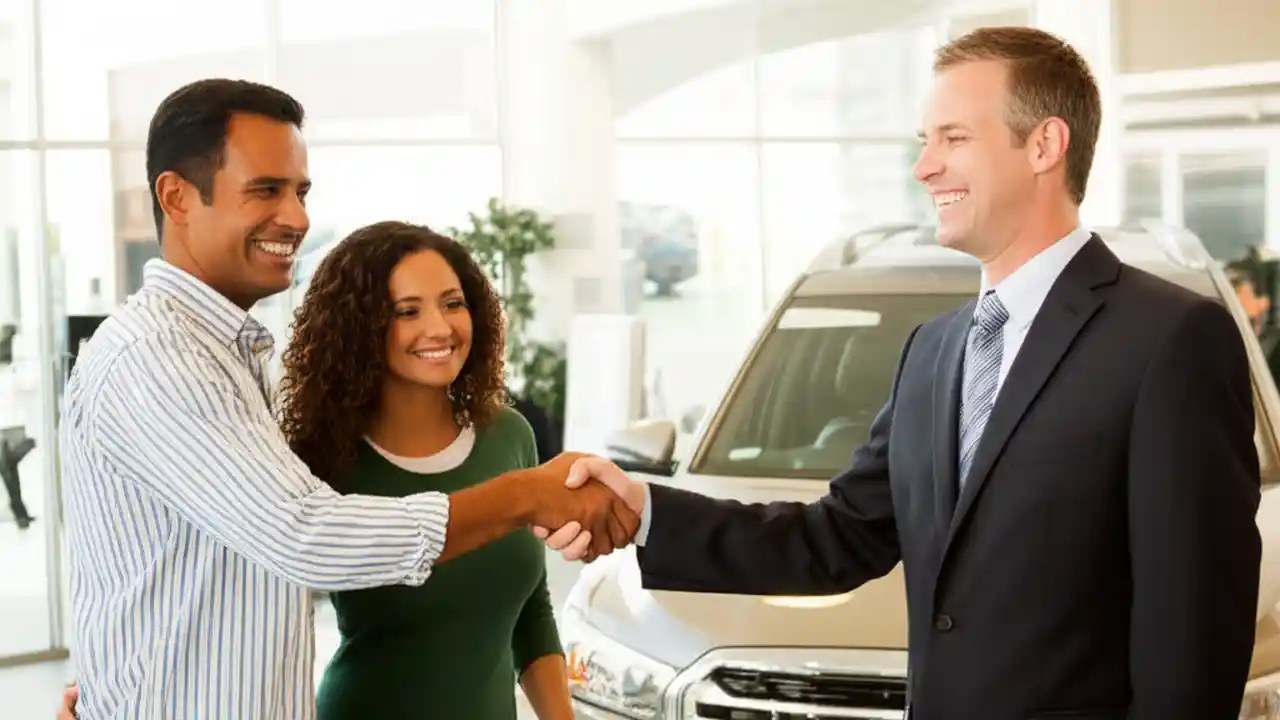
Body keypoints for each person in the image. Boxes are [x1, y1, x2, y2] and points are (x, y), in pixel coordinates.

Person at [541, 26, 1262, 719]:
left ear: (1044, 145)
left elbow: (1193, 634)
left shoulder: (1169, 340)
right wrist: (644, 511)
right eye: (925, 142)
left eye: (953, 138)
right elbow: (835, 537)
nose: (924, 168)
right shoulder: (933, 351)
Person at [58, 78, 635, 719]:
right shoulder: (160, 358)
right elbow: (305, 534)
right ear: (177, 197)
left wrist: (106, 682)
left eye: (300, 192)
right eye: (265, 190)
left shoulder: (228, 356)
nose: (297, 218)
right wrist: (527, 494)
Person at [275, 220, 576, 719]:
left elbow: (531, 612)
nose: (440, 328)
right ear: (359, 327)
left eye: (453, 303)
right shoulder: (322, 460)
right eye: (407, 311)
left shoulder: (509, 436)